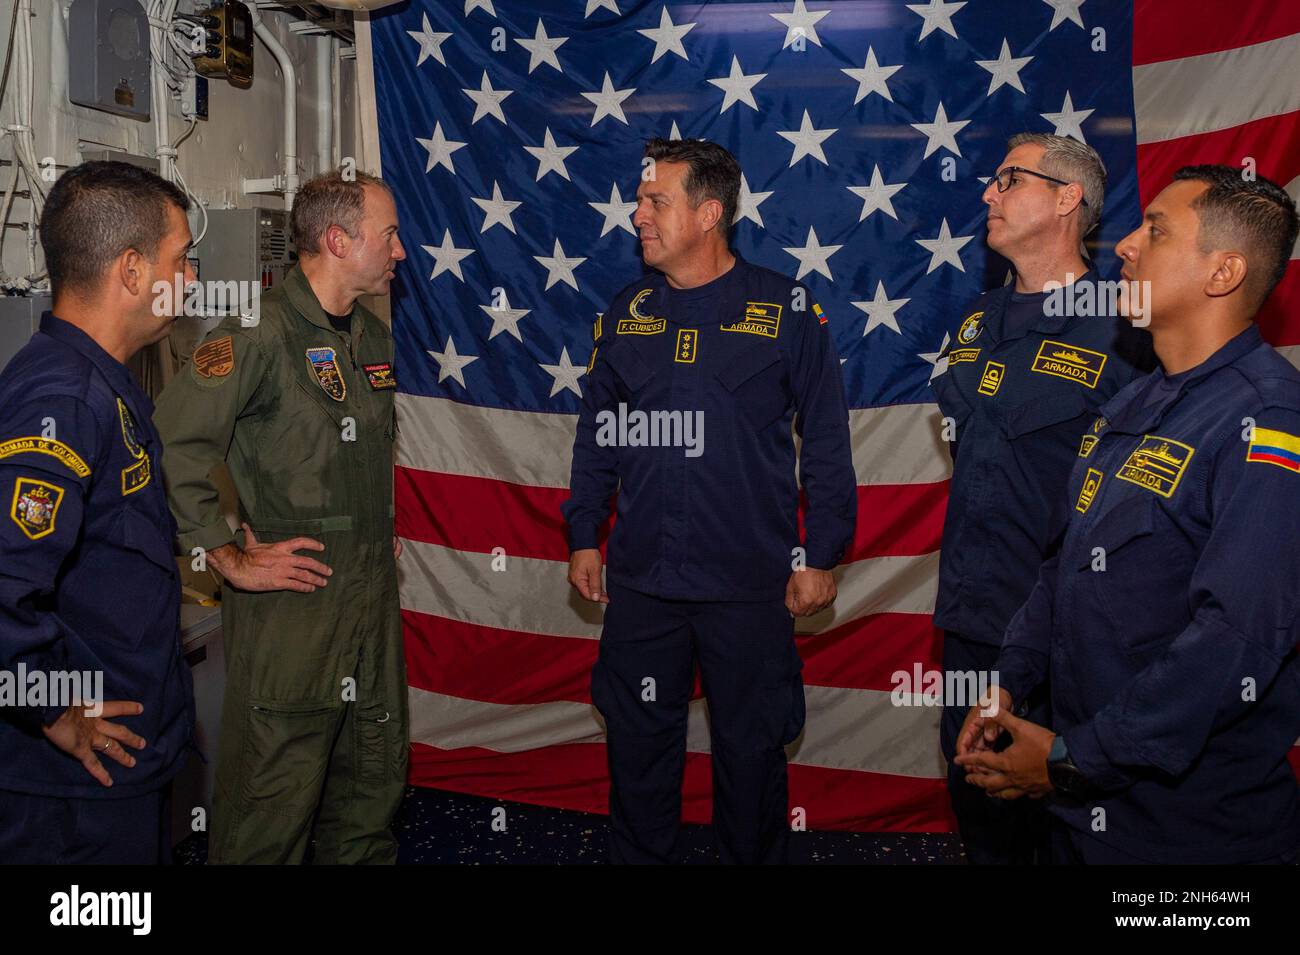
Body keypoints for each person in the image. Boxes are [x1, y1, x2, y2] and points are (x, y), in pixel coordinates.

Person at [956, 166, 1300, 864]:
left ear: (1223, 271)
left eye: (1157, 231)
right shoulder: (1130, 407)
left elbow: (1234, 636)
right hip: (1082, 812)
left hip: (1194, 833)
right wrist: (1009, 681)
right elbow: (1062, 569)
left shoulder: (1268, 419)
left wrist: (1071, 755)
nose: (1126, 247)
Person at [563, 138, 856, 864]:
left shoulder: (786, 307)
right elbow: (598, 435)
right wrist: (582, 534)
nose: (637, 215)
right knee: (636, 749)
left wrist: (822, 555)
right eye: (639, 200)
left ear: (710, 213)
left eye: (656, 201)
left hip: (749, 585)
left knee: (751, 755)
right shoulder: (626, 310)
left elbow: (824, 444)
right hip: (642, 583)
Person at [153, 170, 408, 864]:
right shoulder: (255, 336)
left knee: (370, 789)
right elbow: (170, 443)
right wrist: (224, 552)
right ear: (337, 239)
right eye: (388, 236)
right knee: (271, 806)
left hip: (370, 609)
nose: (400, 251)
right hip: (296, 615)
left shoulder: (369, 335)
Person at [931, 133, 1151, 863]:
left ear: (1067, 199)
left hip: (1069, 636)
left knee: (1071, 830)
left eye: (1007, 180)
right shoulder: (972, 323)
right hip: (970, 618)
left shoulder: (1126, 329)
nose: (987, 194)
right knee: (981, 809)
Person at [0, 160, 196, 863]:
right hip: (71, 792)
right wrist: (52, 707)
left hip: (116, 765)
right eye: (183, 259)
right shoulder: (63, 400)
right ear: (134, 270)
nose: (194, 278)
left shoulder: (98, 383)